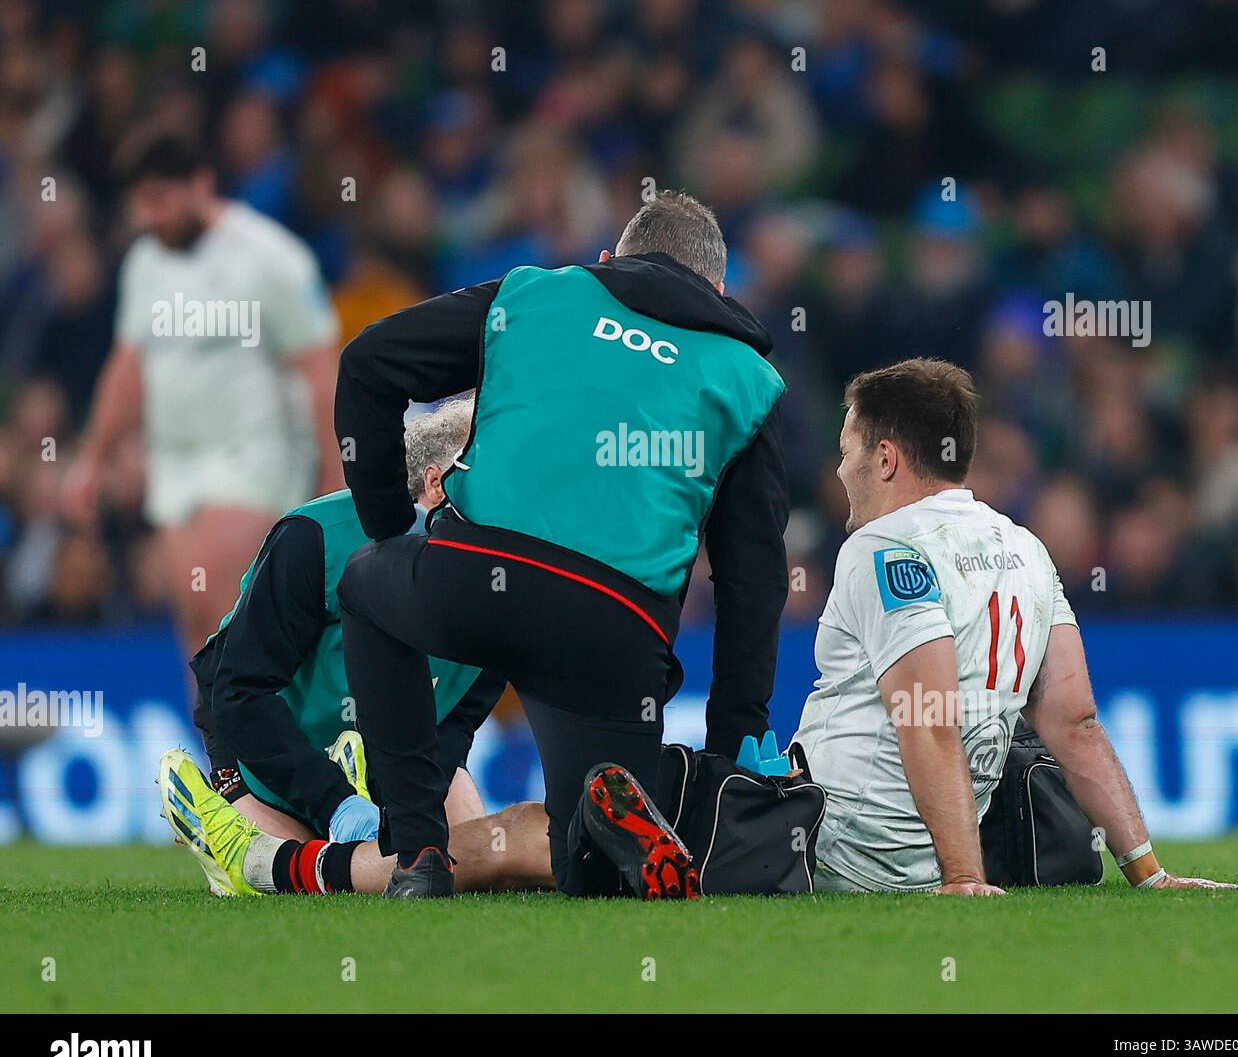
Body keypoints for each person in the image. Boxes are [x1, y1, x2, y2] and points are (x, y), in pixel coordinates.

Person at [333, 191, 789, 899]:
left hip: (478, 573)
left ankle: (419, 849)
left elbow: (367, 361)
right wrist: (734, 745)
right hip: (616, 625)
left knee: (368, 584)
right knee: (586, 873)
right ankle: (603, 815)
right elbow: (752, 582)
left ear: (609, 260)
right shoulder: (746, 377)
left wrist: (395, 529)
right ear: (719, 291)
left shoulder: (538, 293)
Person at [794, 358, 1236, 895]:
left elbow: (929, 718)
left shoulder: (883, 548)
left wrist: (963, 880)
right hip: (930, 865)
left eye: (847, 451)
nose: (840, 471)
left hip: (840, 856)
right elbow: (1073, 722)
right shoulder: (1025, 548)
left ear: (884, 459)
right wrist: (1151, 874)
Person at [165, 401, 552, 897]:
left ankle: (338, 799)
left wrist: (399, 800)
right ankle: (221, 817)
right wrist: (337, 805)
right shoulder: (316, 539)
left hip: (403, 750)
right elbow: (236, 694)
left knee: (459, 871)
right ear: (436, 486)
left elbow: (454, 725)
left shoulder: (510, 583)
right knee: (312, 879)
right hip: (273, 753)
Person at [62, 134, 344, 655]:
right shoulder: (146, 263)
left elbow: (322, 376)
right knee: (195, 628)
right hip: (175, 467)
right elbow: (128, 369)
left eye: (162, 200)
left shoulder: (270, 258)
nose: (152, 216)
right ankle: (219, 739)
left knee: (225, 611)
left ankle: (253, 737)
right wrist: (91, 458)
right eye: (141, 204)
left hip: (253, 459)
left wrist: (334, 484)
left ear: (201, 184)